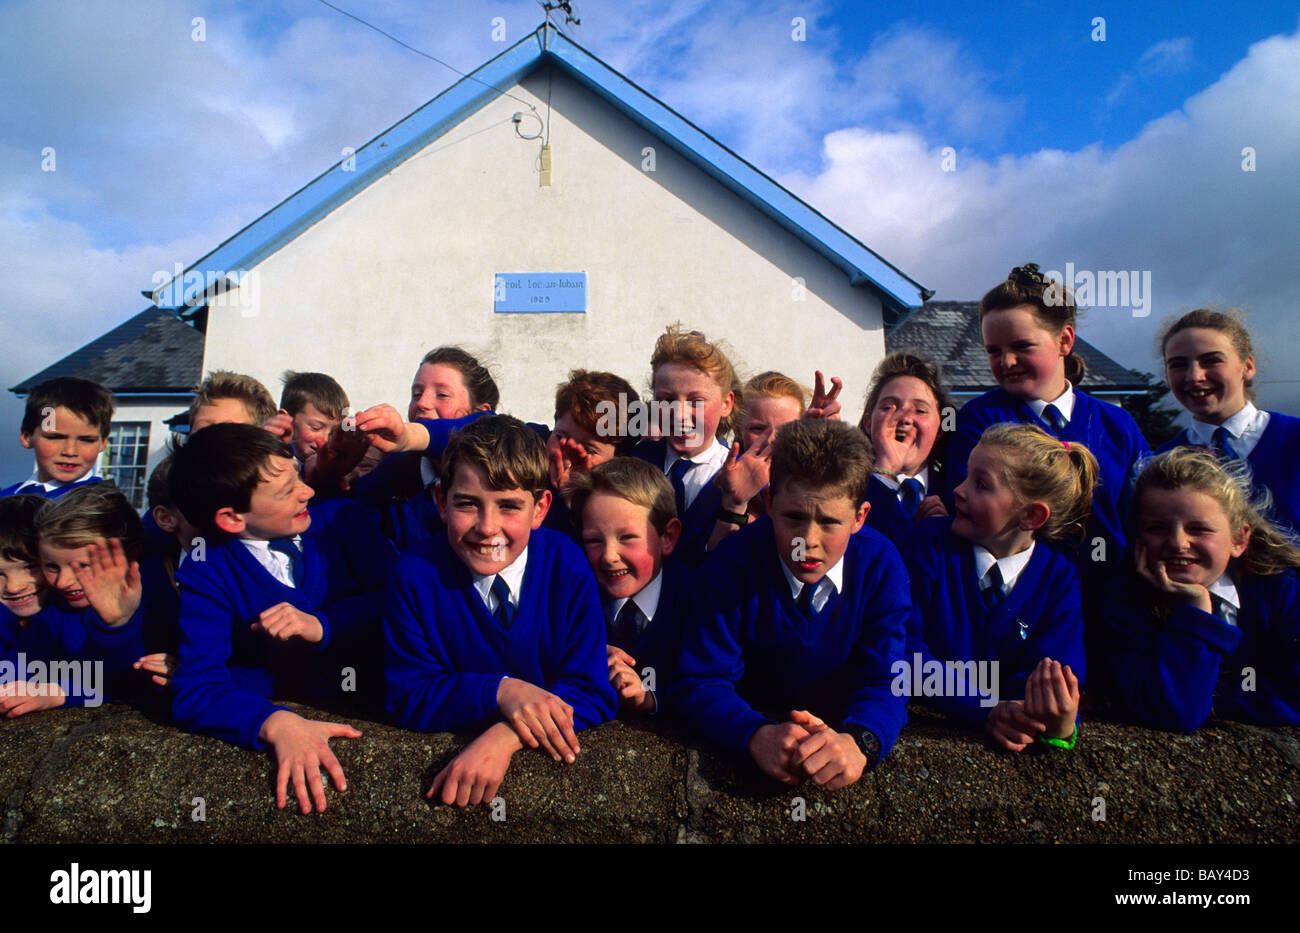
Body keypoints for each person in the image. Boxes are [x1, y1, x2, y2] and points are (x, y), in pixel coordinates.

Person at [383, 415, 616, 807]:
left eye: (509, 506)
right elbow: (407, 695)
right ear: (441, 501)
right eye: (468, 504)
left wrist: (507, 735)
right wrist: (499, 690)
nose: (488, 527)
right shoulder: (415, 575)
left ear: (541, 508)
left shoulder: (566, 565)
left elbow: (592, 689)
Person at [671, 419, 912, 790]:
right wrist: (752, 733)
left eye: (830, 522)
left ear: (860, 517)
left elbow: (887, 678)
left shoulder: (882, 565)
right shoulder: (731, 565)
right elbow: (701, 679)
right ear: (768, 503)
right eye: (794, 517)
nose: (808, 541)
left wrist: (861, 741)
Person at [168, 423, 395, 814]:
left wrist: (324, 624)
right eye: (286, 492)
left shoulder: (343, 521)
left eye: (296, 475)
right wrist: (275, 722)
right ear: (232, 519)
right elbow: (197, 688)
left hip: (378, 701)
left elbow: (402, 603)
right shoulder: (206, 572)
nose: (307, 491)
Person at [903, 424, 1097, 752]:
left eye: (981, 484)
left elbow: (1054, 675)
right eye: (966, 476)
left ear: (1032, 516)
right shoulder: (930, 544)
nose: (959, 491)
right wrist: (983, 708)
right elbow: (903, 652)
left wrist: (1052, 722)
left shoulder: (1059, 578)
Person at [1106, 447, 1300, 730]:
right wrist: (1197, 610)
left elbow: (1292, 697)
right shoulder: (1125, 600)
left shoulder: (1282, 592)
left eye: (1198, 529)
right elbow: (1174, 709)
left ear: (1239, 539)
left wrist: (1210, 698)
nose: (1177, 542)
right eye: (1157, 528)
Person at [1155, 308, 1300, 535]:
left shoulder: (1293, 439)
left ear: (1248, 366)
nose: (1194, 376)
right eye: (1178, 364)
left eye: (1211, 361)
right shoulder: (1161, 464)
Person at [568, 457, 688, 715]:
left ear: (668, 537)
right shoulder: (571, 598)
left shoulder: (698, 600)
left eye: (627, 538)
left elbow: (707, 683)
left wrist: (650, 697)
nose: (609, 555)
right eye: (593, 540)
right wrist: (586, 653)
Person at [857, 351, 953, 542]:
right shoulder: (847, 488)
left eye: (920, 410)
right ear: (868, 423)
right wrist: (886, 468)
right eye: (888, 407)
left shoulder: (955, 490)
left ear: (940, 430)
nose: (905, 418)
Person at [2, 377, 112, 499]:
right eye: (55, 438)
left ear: (102, 443)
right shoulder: (7, 497)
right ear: (27, 437)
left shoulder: (104, 507)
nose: (70, 452)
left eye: (86, 440)